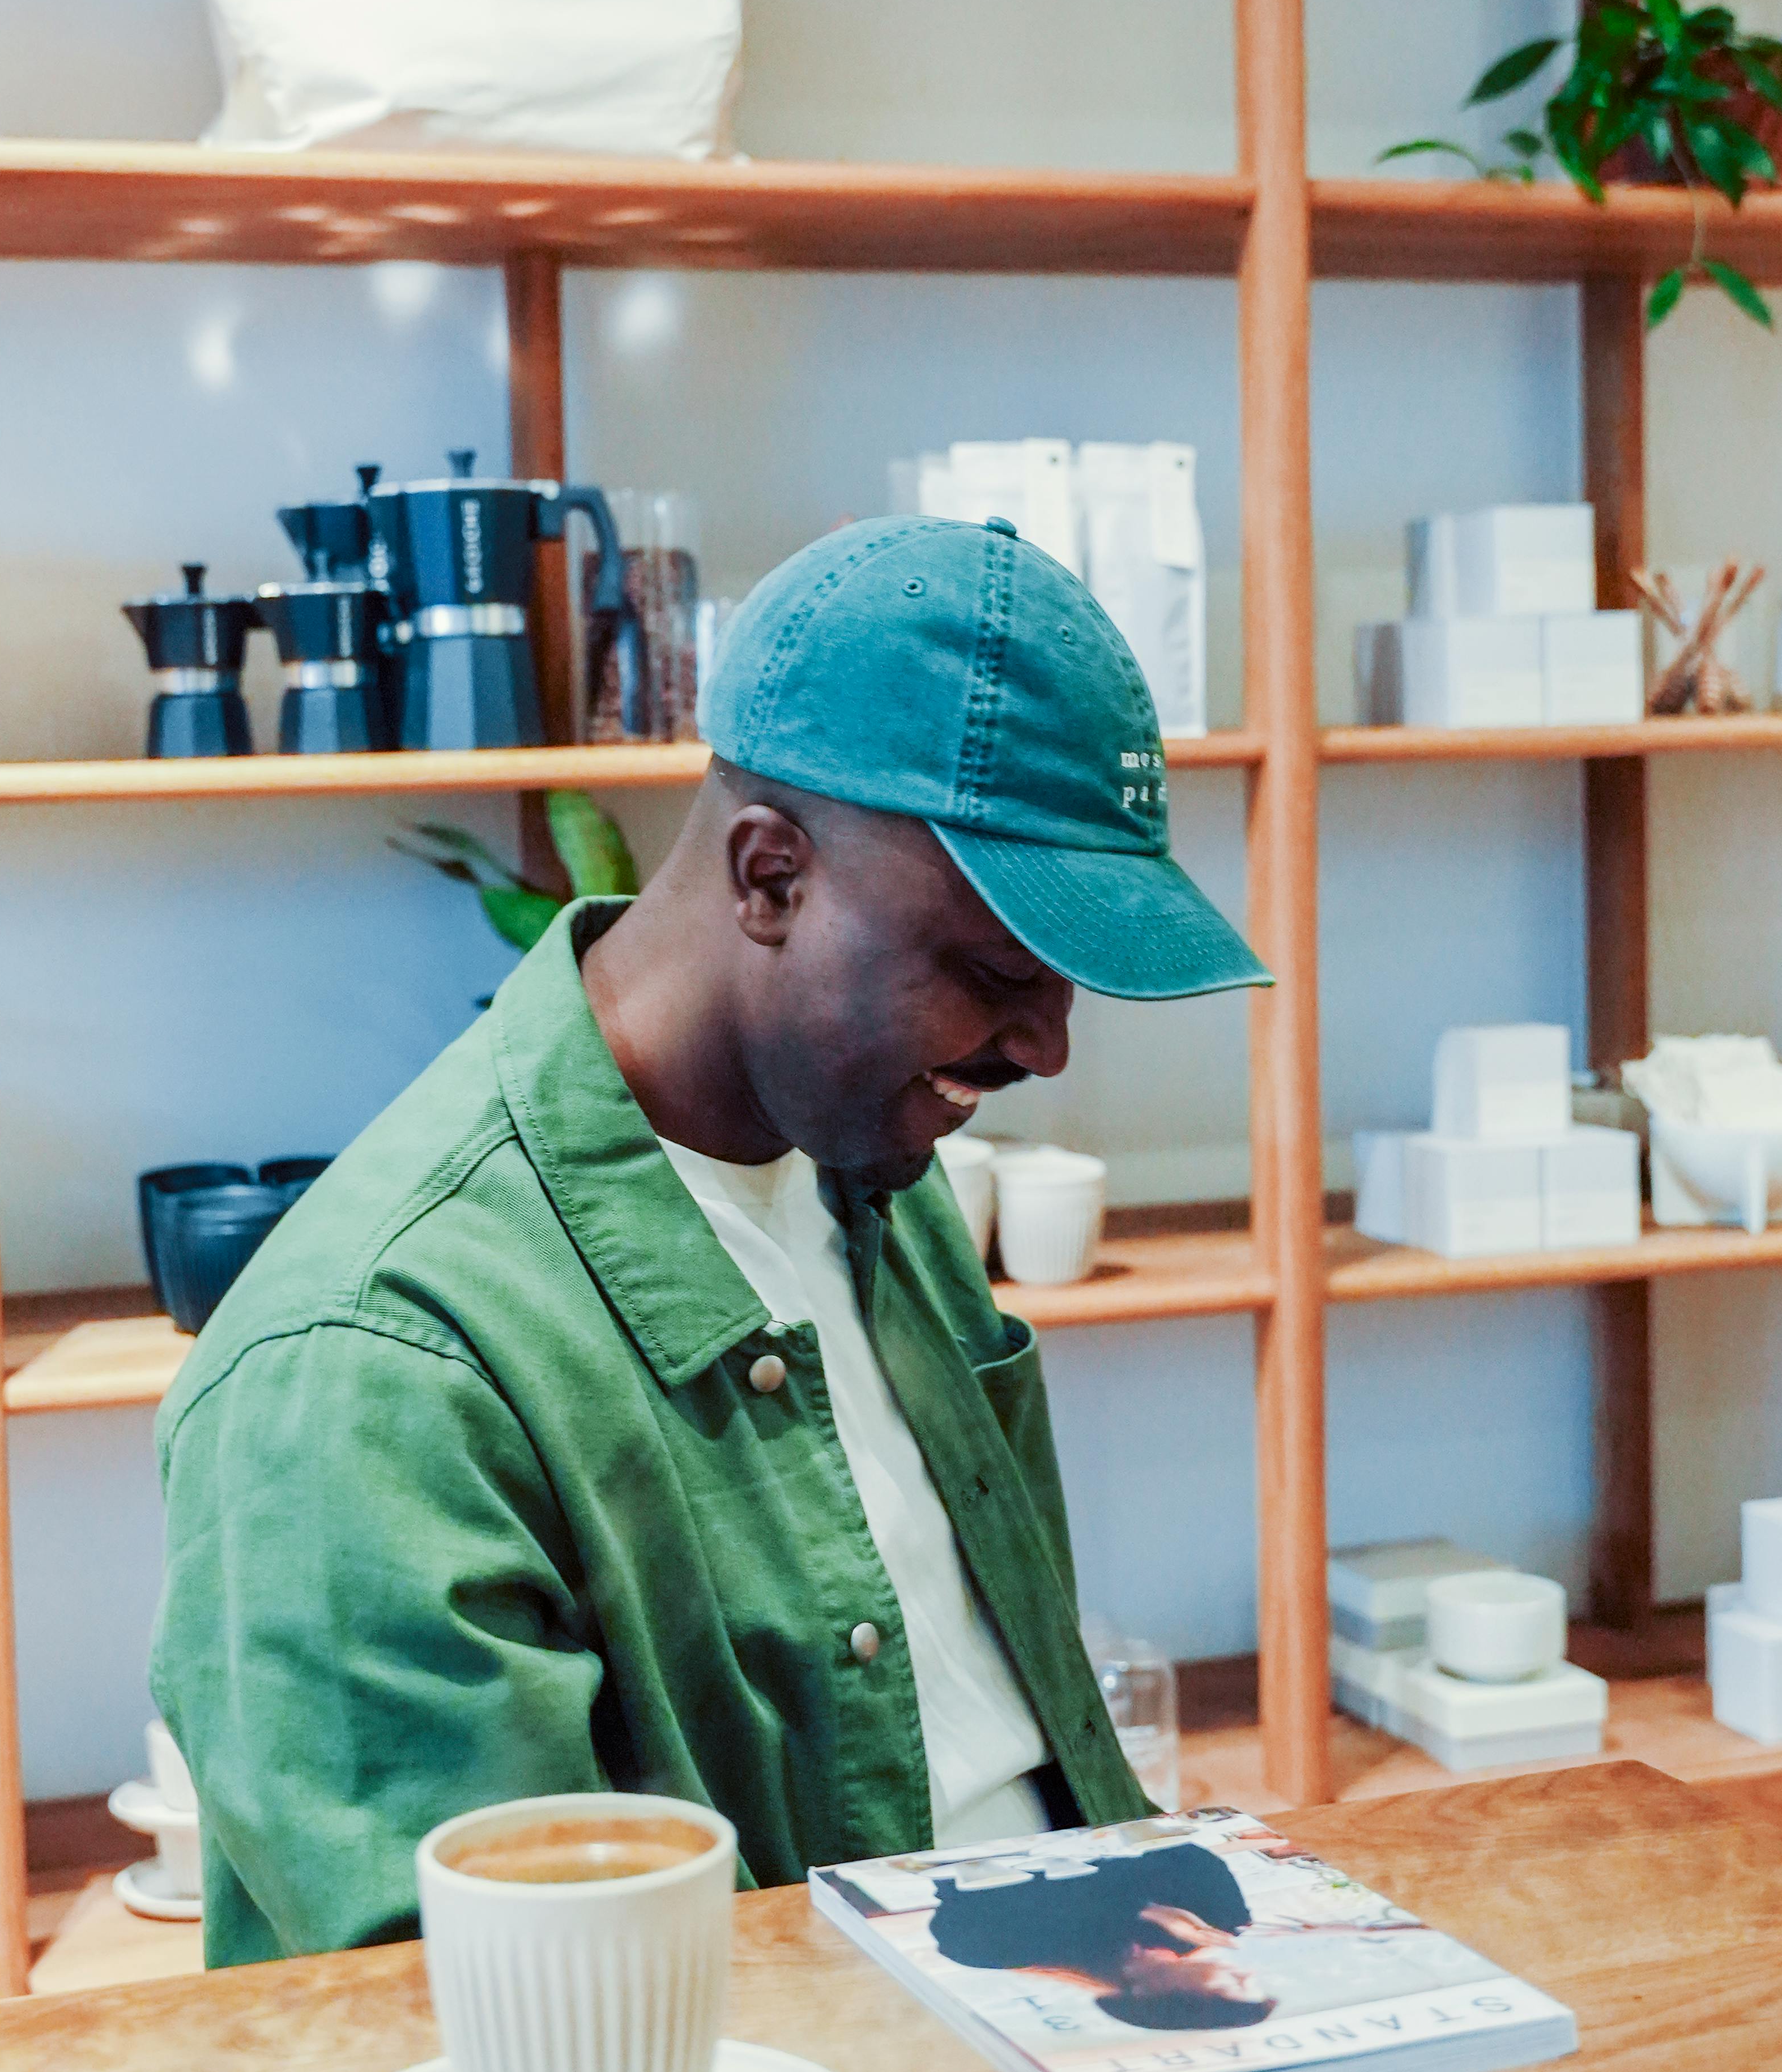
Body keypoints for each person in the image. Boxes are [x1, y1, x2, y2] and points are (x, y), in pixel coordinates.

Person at [150, 512, 1268, 1966]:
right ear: (768, 875)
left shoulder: (876, 1170)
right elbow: (482, 2026)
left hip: (1086, 2005)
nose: (1049, 1047)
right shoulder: (370, 1369)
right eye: (999, 969)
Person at [924, 1835, 1273, 2031]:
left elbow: (960, 1908)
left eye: (1237, 1986)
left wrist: (1142, 1908)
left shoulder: (1008, 1950)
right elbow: (1181, 1848)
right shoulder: (1220, 1918)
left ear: (1164, 1997)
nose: (1248, 1971)